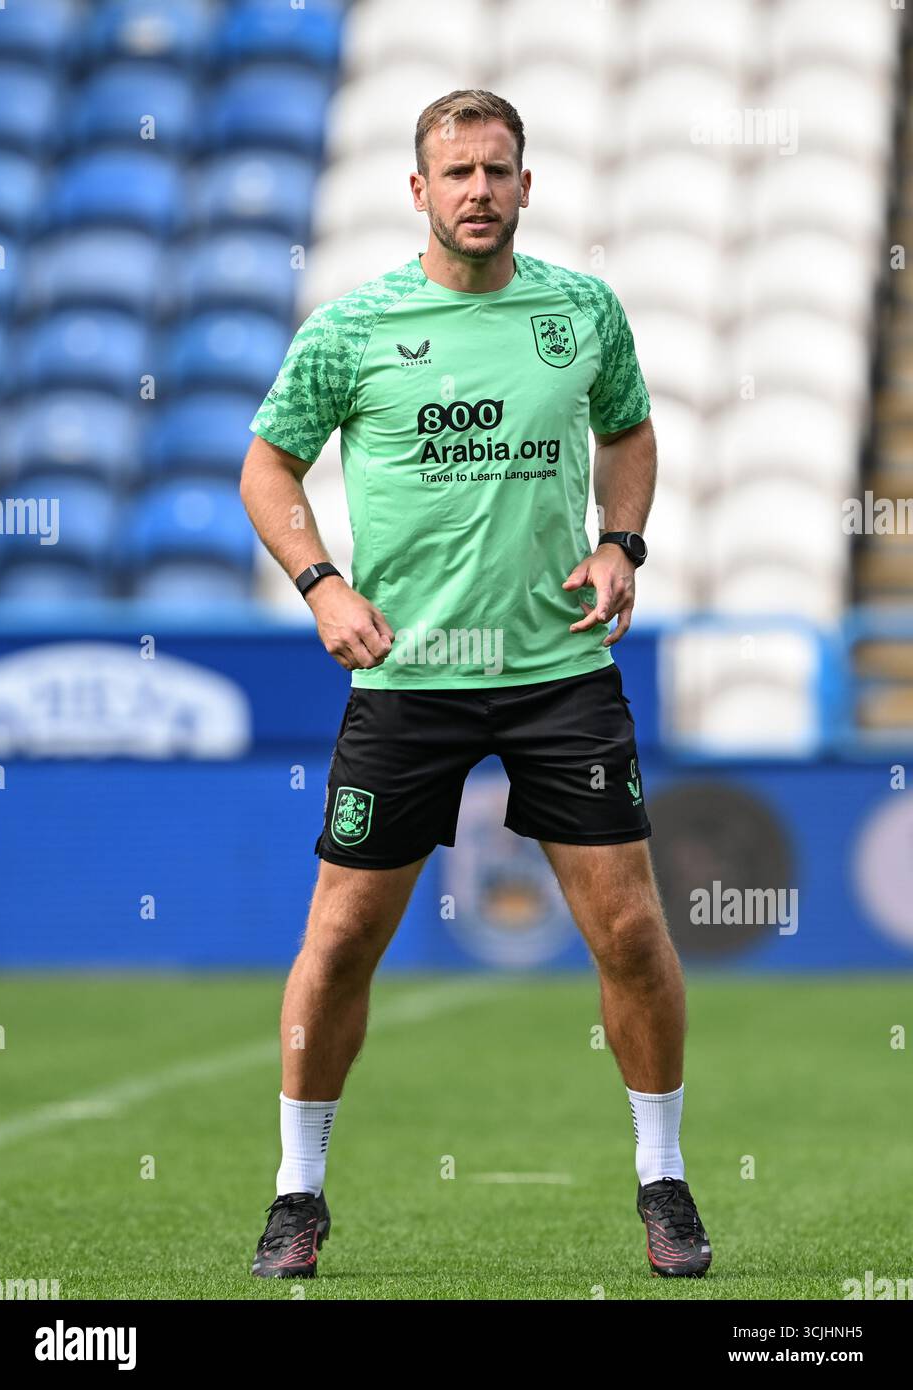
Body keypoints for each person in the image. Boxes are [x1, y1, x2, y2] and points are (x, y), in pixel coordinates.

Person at [240, 89, 711, 1280]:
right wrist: (320, 583)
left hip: (560, 672)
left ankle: (664, 1178)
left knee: (632, 933)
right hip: (408, 681)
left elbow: (632, 430)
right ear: (417, 191)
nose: (478, 192)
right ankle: (298, 1196)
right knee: (339, 941)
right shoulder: (352, 328)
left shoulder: (581, 310)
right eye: (456, 174)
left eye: (498, 171)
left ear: (525, 184)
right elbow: (266, 464)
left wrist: (622, 544)